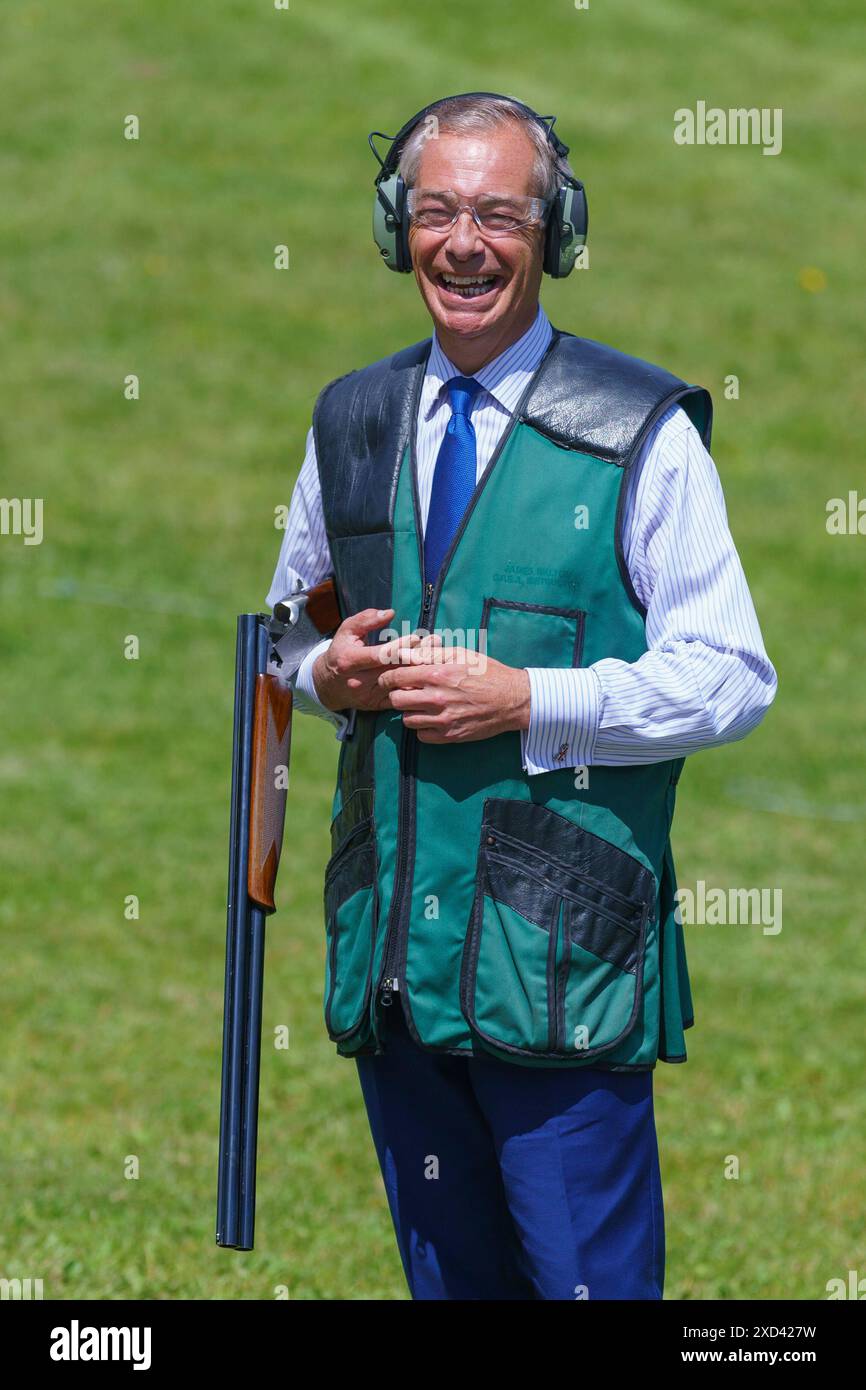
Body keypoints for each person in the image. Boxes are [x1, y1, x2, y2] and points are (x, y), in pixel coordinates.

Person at [266, 92, 777, 1300]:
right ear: (397, 226)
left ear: (555, 234)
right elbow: (287, 632)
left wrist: (530, 699)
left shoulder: (639, 434)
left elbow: (729, 675)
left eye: (500, 214)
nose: (463, 243)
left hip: (561, 974)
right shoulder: (351, 422)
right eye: (435, 210)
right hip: (394, 966)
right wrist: (322, 672)